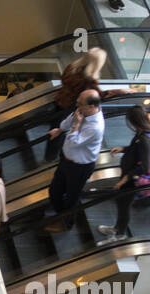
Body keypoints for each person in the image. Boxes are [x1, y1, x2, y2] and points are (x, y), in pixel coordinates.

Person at [45, 48, 127, 160]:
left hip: (60, 100)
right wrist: (119, 91)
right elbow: (96, 96)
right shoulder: (89, 79)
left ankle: (50, 155)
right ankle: (55, 156)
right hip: (71, 106)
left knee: (56, 128)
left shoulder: (72, 67)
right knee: (63, 129)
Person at [98, 105, 150, 240]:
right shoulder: (146, 132)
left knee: (123, 204)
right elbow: (137, 150)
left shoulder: (145, 138)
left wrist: (125, 178)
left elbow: (145, 167)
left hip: (132, 180)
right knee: (122, 203)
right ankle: (118, 229)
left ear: (133, 122)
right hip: (129, 175)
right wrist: (123, 149)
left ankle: (120, 233)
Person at [44, 89, 104, 233]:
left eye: (80, 103)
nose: (76, 105)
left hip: (80, 167)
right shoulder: (82, 111)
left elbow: (73, 142)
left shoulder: (95, 127)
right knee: (54, 191)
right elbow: (68, 121)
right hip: (66, 160)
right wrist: (60, 129)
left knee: (72, 198)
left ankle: (67, 223)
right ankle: (60, 215)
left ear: (91, 106)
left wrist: (76, 125)